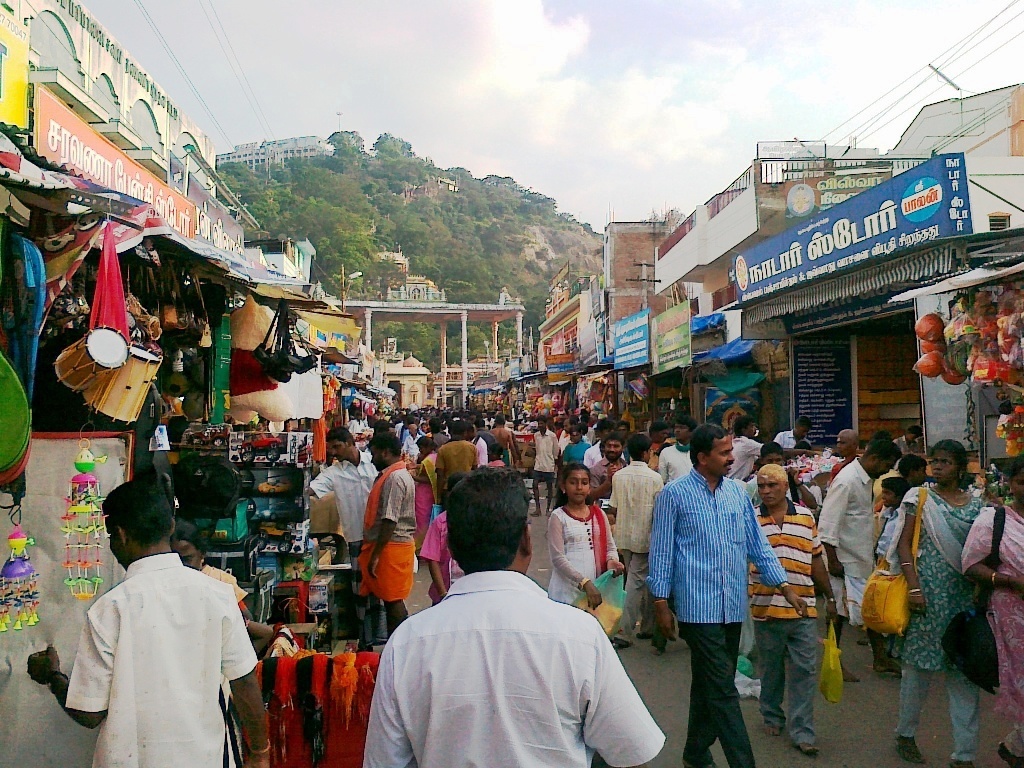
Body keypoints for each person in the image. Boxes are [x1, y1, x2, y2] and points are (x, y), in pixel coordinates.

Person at [364, 468, 665, 767]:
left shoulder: (407, 643)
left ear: (451, 547)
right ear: (526, 540)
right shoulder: (579, 634)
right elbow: (631, 752)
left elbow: (384, 760)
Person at [26, 476, 269, 768]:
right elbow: (244, 683)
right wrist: (259, 752)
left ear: (120, 535)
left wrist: (53, 677)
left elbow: (89, 713)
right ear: (169, 527)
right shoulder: (217, 595)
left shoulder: (109, 610)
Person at [648, 424, 809, 768]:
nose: (731, 458)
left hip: (733, 607)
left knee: (709, 683)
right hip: (696, 608)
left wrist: (784, 586)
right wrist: (660, 602)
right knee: (723, 688)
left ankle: (694, 752)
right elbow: (660, 551)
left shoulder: (738, 493)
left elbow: (757, 544)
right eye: (723, 452)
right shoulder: (674, 495)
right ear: (703, 457)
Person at [894, 439, 983, 767]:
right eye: (934, 461)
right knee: (917, 672)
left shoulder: (978, 506)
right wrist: (914, 588)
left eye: (945, 462)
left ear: (960, 467)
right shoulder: (919, 499)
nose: (938, 467)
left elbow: (982, 551)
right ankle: (905, 734)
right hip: (928, 599)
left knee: (964, 677)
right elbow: (904, 545)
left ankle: (964, 754)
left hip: (963, 601)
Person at [751, 464, 838, 757]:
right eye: (761, 487)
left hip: (804, 608)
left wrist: (830, 595)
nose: (766, 491)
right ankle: (772, 715)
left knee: (804, 670)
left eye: (772, 486)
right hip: (765, 607)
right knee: (771, 669)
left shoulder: (804, 517)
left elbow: (815, 560)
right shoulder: (751, 519)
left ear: (785, 487)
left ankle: (803, 731)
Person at [818, 437, 902, 682]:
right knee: (838, 614)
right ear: (874, 459)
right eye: (886, 465)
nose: (887, 471)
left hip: (861, 558)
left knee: (870, 607)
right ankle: (834, 662)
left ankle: (880, 658)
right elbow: (827, 525)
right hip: (843, 561)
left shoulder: (865, 480)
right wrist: (833, 561)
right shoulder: (847, 481)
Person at [962, 455, 1024, 768]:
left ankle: (1015, 746)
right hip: (1012, 616)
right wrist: (1010, 581)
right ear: (1011, 484)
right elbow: (971, 565)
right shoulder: (994, 520)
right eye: (1022, 481)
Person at [309, 426, 381, 648]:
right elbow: (312, 490)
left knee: (383, 588)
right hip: (355, 538)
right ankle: (366, 639)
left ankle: (385, 634)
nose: (334, 453)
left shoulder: (374, 463)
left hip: (380, 537)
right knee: (360, 591)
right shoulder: (333, 472)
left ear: (351, 443)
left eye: (337, 447)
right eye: (331, 449)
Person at [171, 520, 276, 653]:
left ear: (202, 554)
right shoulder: (169, 582)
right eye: (177, 560)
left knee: (266, 632)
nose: (183, 565)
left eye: (187, 559)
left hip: (220, 633)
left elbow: (244, 614)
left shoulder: (221, 579)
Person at [608, 433, 664, 649]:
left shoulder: (619, 476)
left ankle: (647, 625)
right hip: (645, 537)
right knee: (637, 583)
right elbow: (659, 510)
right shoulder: (654, 478)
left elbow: (614, 505)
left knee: (639, 581)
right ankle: (625, 630)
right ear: (645, 453)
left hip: (624, 535)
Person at [359, 432, 418, 637]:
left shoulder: (395, 477)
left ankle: (401, 643)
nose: (372, 458)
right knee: (390, 598)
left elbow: (389, 519)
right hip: (391, 545)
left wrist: (376, 555)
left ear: (385, 453)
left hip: (392, 546)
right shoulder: (395, 474)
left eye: (374, 454)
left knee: (393, 600)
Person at [547, 462, 624, 609]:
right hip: (566, 590)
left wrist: (612, 561)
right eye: (573, 482)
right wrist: (583, 582)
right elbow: (558, 558)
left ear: (589, 488)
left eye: (584, 483)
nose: (579, 488)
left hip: (595, 587)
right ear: (563, 487)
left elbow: (610, 546)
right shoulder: (558, 517)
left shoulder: (599, 514)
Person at [419, 473, 469, 605]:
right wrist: (442, 593)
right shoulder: (440, 522)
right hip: (445, 591)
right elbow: (432, 559)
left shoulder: (477, 520)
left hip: (469, 591)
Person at [434, 419, 478, 502]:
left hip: (448, 490)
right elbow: (475, 470)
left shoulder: (443, 449)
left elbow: (440, 475)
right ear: (465, 432)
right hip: (466, 487)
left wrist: (438, 497)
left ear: (452, 432)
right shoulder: (471, 447)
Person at [411, 435, 438, 546]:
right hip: (428, 493)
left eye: (421, 447)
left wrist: (412, 476)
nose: (420, 450)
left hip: (424, 494)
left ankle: (421, 544)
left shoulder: (428, 460)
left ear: (427, 447)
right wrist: (414, 467)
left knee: (422, 518)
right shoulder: (434, 457)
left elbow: (427, 479)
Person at [532, 415, 561, 516]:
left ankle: (548, 509)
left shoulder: (552, 436)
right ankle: (537, 509)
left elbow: (556, 451)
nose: (540, 425)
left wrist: (554, 463)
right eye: (539, 423)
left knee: (549, 488)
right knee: (534, 485)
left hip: (549, 465)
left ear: (545, 424)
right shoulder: (536, 436)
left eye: (542, 423)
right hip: (538, 464)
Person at [587, 432, 627, 504]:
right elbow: (590, 496)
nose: (612, 449)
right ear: (604, 447)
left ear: (623, 448)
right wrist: (608, 481)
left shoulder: (626, 467)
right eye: (609, 446)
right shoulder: (595, 470)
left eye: (616, 446)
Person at [660, 415, 696, 484]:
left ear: (691, 431)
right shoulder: (666, 453)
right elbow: (663, 480)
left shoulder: (699, 452)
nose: (677, 430)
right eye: (676, 427)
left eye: (682, 428)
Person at [729, 415, 762, 480]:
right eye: (752, 426)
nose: (754, 429)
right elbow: (769, 450)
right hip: (737, 481)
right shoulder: (747, 443)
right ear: (744, 430)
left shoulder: (735, 442)